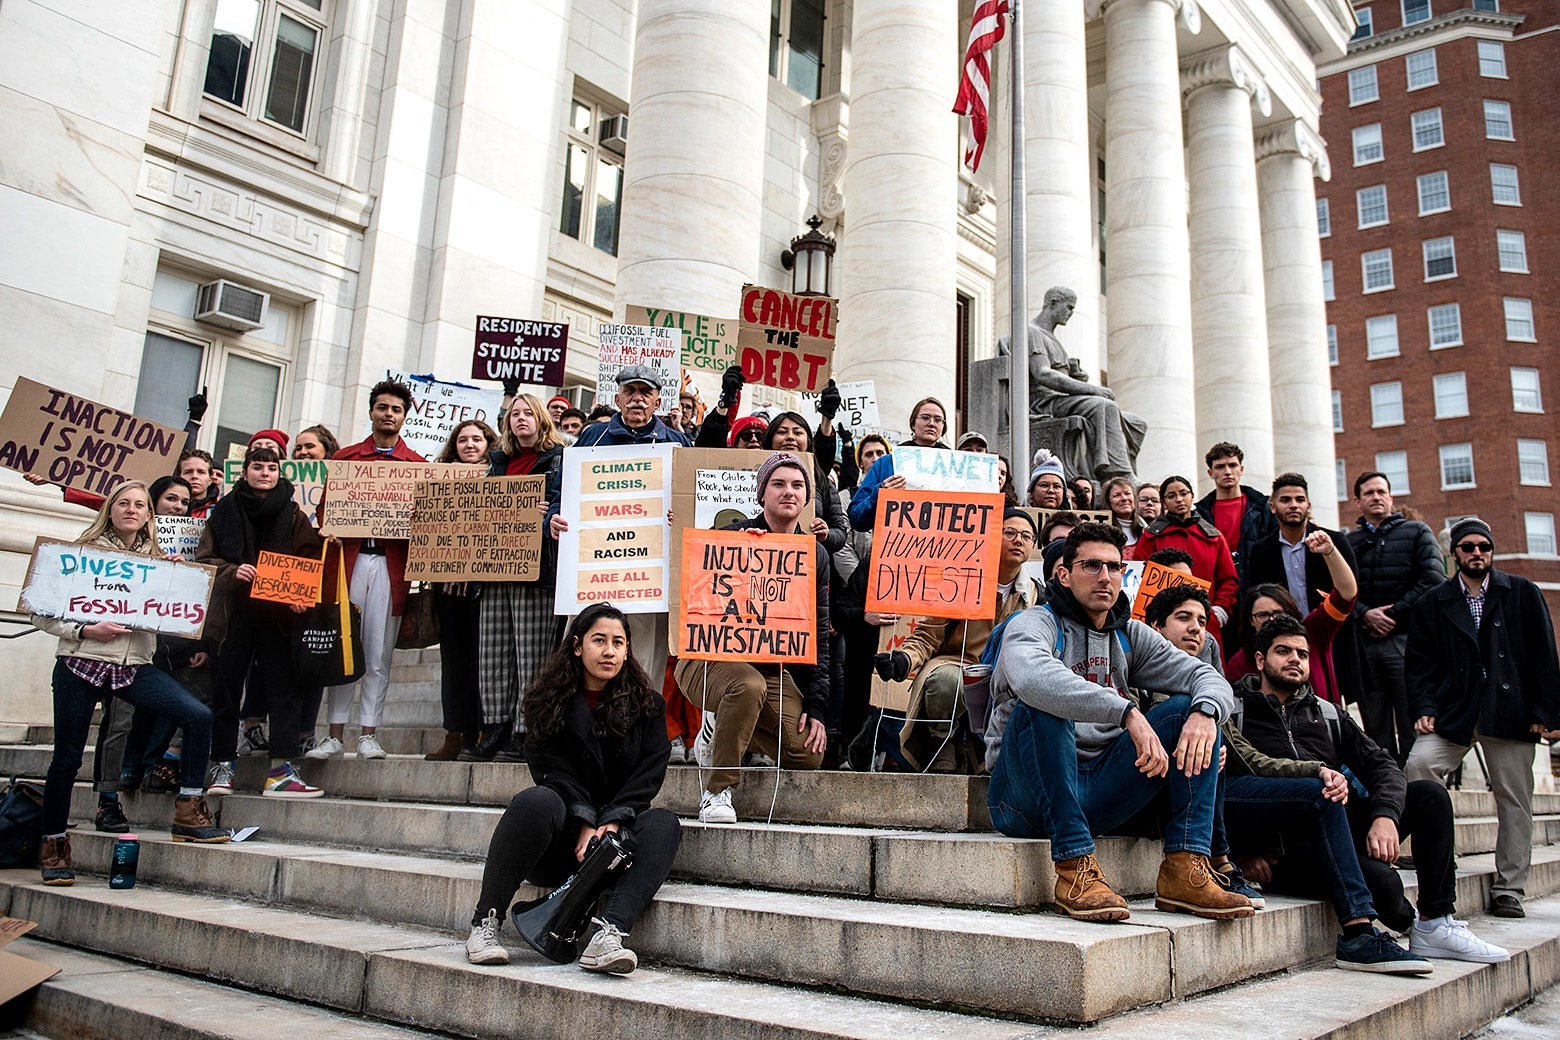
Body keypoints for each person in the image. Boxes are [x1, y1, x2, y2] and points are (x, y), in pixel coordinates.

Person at [985, 522, 1250, 921]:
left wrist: (1206, 713)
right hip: (1024, 798)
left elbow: (1206, 676)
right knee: (1043, 704)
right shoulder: (1034, 623)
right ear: (1063, 574)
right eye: (1092, 566)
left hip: (1100, 787)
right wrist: (1126, 712)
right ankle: (1074, 868)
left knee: (1187, 710)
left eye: (1114, 567)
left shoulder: (1129, 634)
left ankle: (1185, 867)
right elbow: (1032, 679)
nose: (1105, 577)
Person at [1235, 615, 1510, 965]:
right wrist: (1241, 854)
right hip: (1288, 852)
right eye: (1283, 651)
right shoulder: (1237, 712)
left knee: (1430, 796)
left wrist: (1385, 816)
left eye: (1302, 654)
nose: (1295, 660)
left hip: (1343, 827)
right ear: (1261, 660)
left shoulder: (1326, 714)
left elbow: (1382, 765)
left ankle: (1436, 922)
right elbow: (1228, 793)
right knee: (1385, 885)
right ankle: (1402, 922)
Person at [465, 604, 681, 972]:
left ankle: (608, 934)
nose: (609, 651)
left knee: (664, 823)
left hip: (617, 844)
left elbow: (648, 775)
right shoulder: (546, 702)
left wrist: (612, 820)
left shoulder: (648, 707)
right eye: (599, 641)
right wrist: (584, 820)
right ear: (578, 646)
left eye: (618, 642)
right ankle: (485, 922)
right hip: (562, 842)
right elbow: (552, 772)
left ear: (628, 649)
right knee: (536, 801)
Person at [34, 482, 229, 884]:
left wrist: (177, 579)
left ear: (148, 515)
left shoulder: (158, 561)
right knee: (67, 759)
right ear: (110, 509)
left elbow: (177, 613)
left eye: (139, 505)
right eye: (123, 503)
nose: (131, 509)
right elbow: (39, 611)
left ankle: (189, 811)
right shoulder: (80, 553)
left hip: (133, 665)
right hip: (80, 663)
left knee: (197, 715)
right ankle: (54, 847)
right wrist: (85, 630)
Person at [1405, 517, 1560, 919]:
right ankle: (1440, 859)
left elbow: (1544, 654)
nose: (1477, 553)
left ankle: (1510, 888)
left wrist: (1543, 712)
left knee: (1515, 799)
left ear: (1491, 550)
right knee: (1420, 765)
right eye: (1469, 547)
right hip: (1455, 711)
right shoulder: (1433, 601)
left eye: (1484, 547)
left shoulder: (1521, 592)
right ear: (1454, 552)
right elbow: (1419, 664)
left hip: (1510, 713)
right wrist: (1424, 708)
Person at [675, 453, 830, 824]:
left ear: (807, 497)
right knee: (746, 685)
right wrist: (738, 547)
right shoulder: (732, 536)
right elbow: (692, 586)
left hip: (770, 668)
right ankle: (717, 791)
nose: (788, 492)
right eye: (778, 484)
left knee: (806, 753)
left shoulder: (816, 555)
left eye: (797, 485)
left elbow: (819, 633)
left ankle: (725, 724)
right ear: (762, 495)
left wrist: (817, 705)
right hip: (708, 662)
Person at [196, 447, 326, 798]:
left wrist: (301, 593)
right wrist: (231, 571)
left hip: (278, 617)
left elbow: (309, 557)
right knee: (226, 690)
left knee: (284, 690)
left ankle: (281, 771)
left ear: (279, 473)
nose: (265, 473)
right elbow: (204, 559)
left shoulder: (294, 513)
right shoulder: (222, 512)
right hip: (232, 615)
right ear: (244, 472)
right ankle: (223, 766)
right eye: (257, 467)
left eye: (271, 467)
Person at [551, 365, 690, 689]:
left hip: (649, 579)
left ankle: (637, 720)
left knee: (644, 662)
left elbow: (689, 500)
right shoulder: (592, 437)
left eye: (645, 393)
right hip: (594, 574)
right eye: (630, 391)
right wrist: (553, 519)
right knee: (586, 654)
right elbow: (562, 492)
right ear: (617, 399)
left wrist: (681, 516)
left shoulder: (677, 442)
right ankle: (583, 717)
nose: (637, 399)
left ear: (657, 402)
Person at [309, 379, 427, 761]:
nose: (388, 414)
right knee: (344, 646)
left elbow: (428, 522)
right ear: (372, 411)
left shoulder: (417, 466)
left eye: (396, 409)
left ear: (404, 417)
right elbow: (325, 508)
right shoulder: (346, 459)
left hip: (391, 566)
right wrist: (328, 526)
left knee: (378, 652)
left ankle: (368, 735)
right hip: (350, 561)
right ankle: (334, 735)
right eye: (383, 407)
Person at [871, 507, 1040, 772]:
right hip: (956, 665)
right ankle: (942, 740)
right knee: (947, 682)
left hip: (1004, 675)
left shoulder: (1035, 593)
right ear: (992, 536)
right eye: (1009, 533)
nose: (1018, 540)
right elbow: (927, 634)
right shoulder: (962, 578)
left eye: (1026, 536)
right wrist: (904, 659)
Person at [469, 397, 566, 762]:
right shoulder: (497, 463)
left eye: (528, 413)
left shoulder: (558, 459)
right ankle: (497, 727)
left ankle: (528, 731)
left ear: (541, 419)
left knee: (532, 654)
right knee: (493, 652)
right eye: (515, 414)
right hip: (494, 570)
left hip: (536, 569)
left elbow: (565, 502)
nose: (521, 419)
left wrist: (549, 510)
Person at [1346, 471, 1444, 764]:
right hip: (1365, 646)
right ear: (1357, 501)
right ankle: (1386, 784)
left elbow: (1433, 579)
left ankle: (1417, 786)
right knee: (1375, 728)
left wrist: (1393, 612)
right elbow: (1337, 588)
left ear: (1390, 498)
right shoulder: (1349, 542)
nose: (1376, 497)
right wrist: (1365, 614)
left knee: (1413, 721)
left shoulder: (1417, 532)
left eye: (1381, 492)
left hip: (1406, 643)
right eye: (1369, 493)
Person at [1002, 286, 1145, 480]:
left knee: (1136, 423)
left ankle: (1124, 468)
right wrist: (1093, 389)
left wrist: (1077, 377)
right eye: (1069, 307)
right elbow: (1043, 374)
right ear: (1053, 303)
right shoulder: (1032, 332)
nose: (1071, 313)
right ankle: (1119, 474)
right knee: (1105, 406)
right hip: (1043, 402)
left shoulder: (1052, 338)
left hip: (1061, 401)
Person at [422, 419, 500, 761]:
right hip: (450, 590)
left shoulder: (500, 476)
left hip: (485, 589)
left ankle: (483, 730)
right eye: (463, 440)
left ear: (488, 443)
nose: (470, 445)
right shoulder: (439, 479)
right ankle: (455, 733)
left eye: (477, 439)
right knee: (453, 663)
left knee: (484, 662)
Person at [1225, 530, 1357, 706]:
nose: (1272, 620)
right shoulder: (1240, 662)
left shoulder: (1314, 632)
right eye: (1263, 615)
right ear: (1250, 620)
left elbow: (1346, 594)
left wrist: (1330, 552)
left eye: (1279, 613)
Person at [1132, 475, 1239, 642]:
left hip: (1206, 622)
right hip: (1164, 627)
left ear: (1192, 496)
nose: (1179, 500)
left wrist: (1220, 610)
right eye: (1171, 496)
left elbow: (1228, 579)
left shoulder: (1213, 536)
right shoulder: (1151, 537)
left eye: (1184, 493)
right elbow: (1139, 579)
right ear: (1164, 502)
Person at [847, 397, 950, 530]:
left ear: (943, 426)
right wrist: (880, 494)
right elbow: (856, 518)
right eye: (925, 418)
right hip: (897, 541)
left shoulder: (956, 468)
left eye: (938, 420)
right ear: (913, 424)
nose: (931, 423)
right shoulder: (886, 463)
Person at [761, 410, 847, 554]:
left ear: (808, 441)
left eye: (797, 432)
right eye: (782, 432)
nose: (790, 437)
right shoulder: (751, 474)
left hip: (809, 559)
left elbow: (840, 533)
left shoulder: (822, 481)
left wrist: (826, 534)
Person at [1195, 442, 1274, 580]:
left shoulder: (1264, 507)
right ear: (1210, 473)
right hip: (1218, 582)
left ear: (1241, 469)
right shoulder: (1199, 514)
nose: (1227, 472)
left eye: (1232, 465)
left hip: (1257, 581)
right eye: (1220, 467)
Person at [177, 450, 221, 518]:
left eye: (201, 472)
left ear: (210, 480)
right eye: (188, 472)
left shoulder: (220, 511)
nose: (194, 476)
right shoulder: (168, 508)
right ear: (179, 477)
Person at [1103, 476, 1142, 548]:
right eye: (1117, 495)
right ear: (1108, 502)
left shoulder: (1145, 528)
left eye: (1127, 493)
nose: (1124, 498)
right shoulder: (1103, 531)